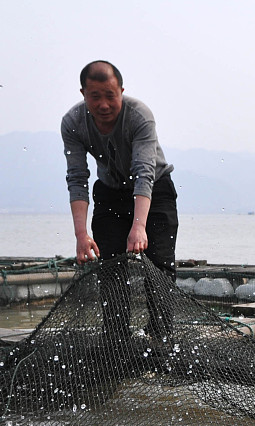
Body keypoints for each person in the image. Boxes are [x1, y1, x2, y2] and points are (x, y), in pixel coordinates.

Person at [61, 60, 178, 273]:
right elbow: (77, 178)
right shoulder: (73, 123)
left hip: (154, 188)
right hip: (110, 191)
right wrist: (81, 235)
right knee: (110, 268)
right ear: (83, 93)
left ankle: (162, 305)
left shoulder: (139, 115)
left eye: (110, 95)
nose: (104, 105)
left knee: (159, 267)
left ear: (121, 91)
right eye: (95, 97)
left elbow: (144, 173)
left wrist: (139, 226)